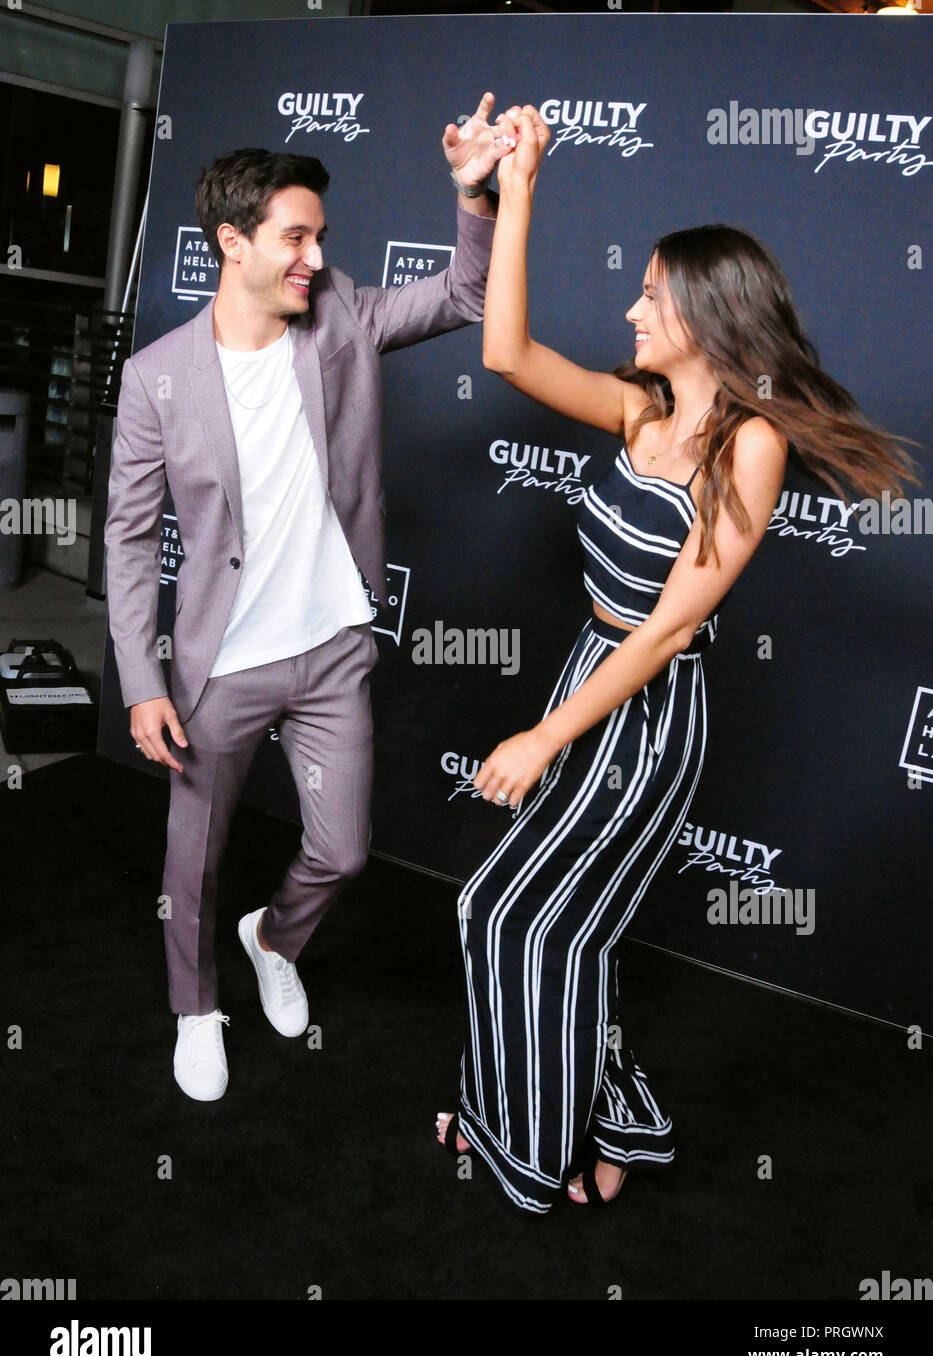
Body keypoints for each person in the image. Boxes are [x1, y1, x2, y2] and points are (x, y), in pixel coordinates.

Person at [435, 105, 920, 1212]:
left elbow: (663, 630)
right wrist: (520, 184)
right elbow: (504, 351)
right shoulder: (637, 410)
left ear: (708, 311)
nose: (632, 306)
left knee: (513, 917)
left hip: (644, 717)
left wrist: (545, 735)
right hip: (582, 682)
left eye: (652, 292)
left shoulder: (753, 444)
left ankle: (528, 1138)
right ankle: (612, 1123)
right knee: (559, 929)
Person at [104, 94, 516, 1101]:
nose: (314, 257)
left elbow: (466, 294)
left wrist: (476, 194)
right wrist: (141, 679)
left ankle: (273, 937)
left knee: (341, 849)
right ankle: (196, 1007)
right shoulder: (158, 379)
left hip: (332, 646)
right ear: (230, 243)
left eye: (319, 237)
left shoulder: (340, 319)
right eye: (294, 237)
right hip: (221, 665)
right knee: (192, 866)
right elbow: (123, 539)